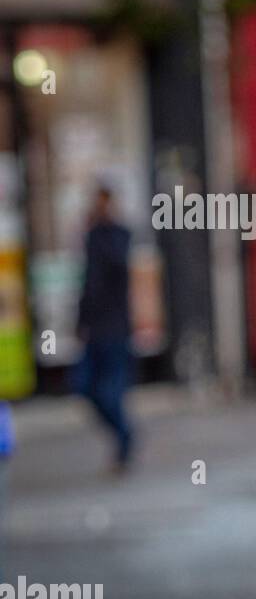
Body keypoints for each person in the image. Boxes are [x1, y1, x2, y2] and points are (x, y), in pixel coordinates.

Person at [74, 184, 135, 473]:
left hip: (116, 330)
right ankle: (122, 435)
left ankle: (124, 440)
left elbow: (116, 264)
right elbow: (88, 285)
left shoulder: (117, 235)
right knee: (83, 386)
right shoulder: (92, 236)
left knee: (111, 392)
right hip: (93, 330)